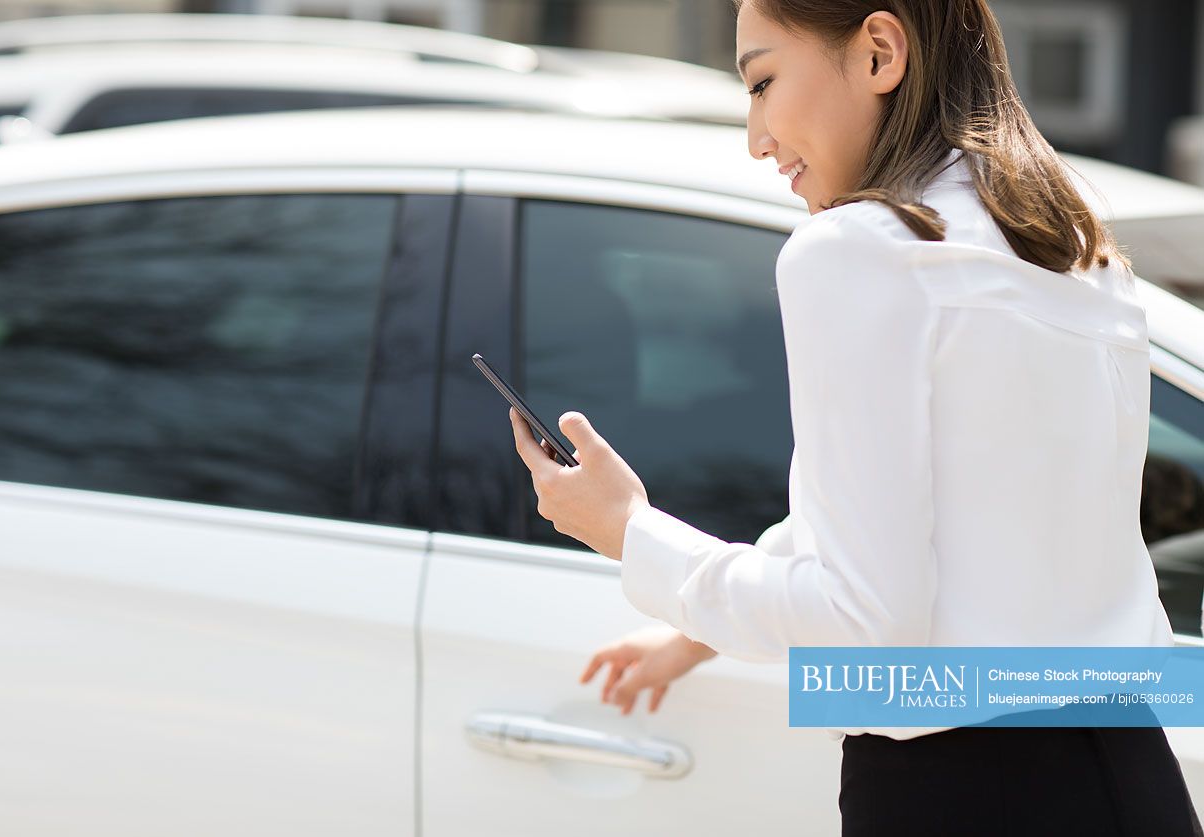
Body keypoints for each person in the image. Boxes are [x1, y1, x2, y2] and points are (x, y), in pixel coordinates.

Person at [507, 0, 1204, 834]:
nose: (755, 136)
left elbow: (867, 624)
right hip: (1132, 771)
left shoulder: (854, 250)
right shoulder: (1068, 241)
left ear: (879, 51)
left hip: (964, 791)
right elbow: (940, 512)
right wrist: (695, 634)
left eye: (763, 81)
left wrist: (631, 533)